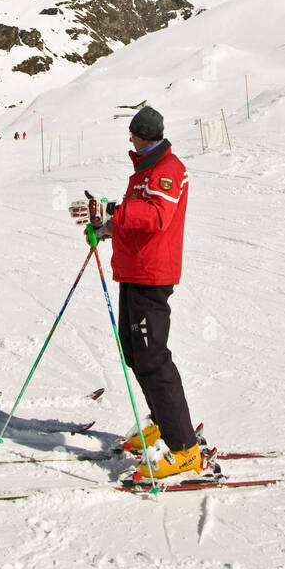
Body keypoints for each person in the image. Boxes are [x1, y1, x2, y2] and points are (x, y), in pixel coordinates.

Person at [88, 106, 202, 481]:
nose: (130, 140)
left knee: (153, 358)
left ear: (143, 134)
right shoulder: (143, 171)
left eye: (133, 134)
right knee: (135, 353)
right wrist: (107, 227)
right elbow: (134, 220)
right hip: (134, 273)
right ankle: (161, 422)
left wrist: (114, 212)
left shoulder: (167, 169)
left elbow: (156, 217)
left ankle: (185, 449)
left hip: (152, 276)